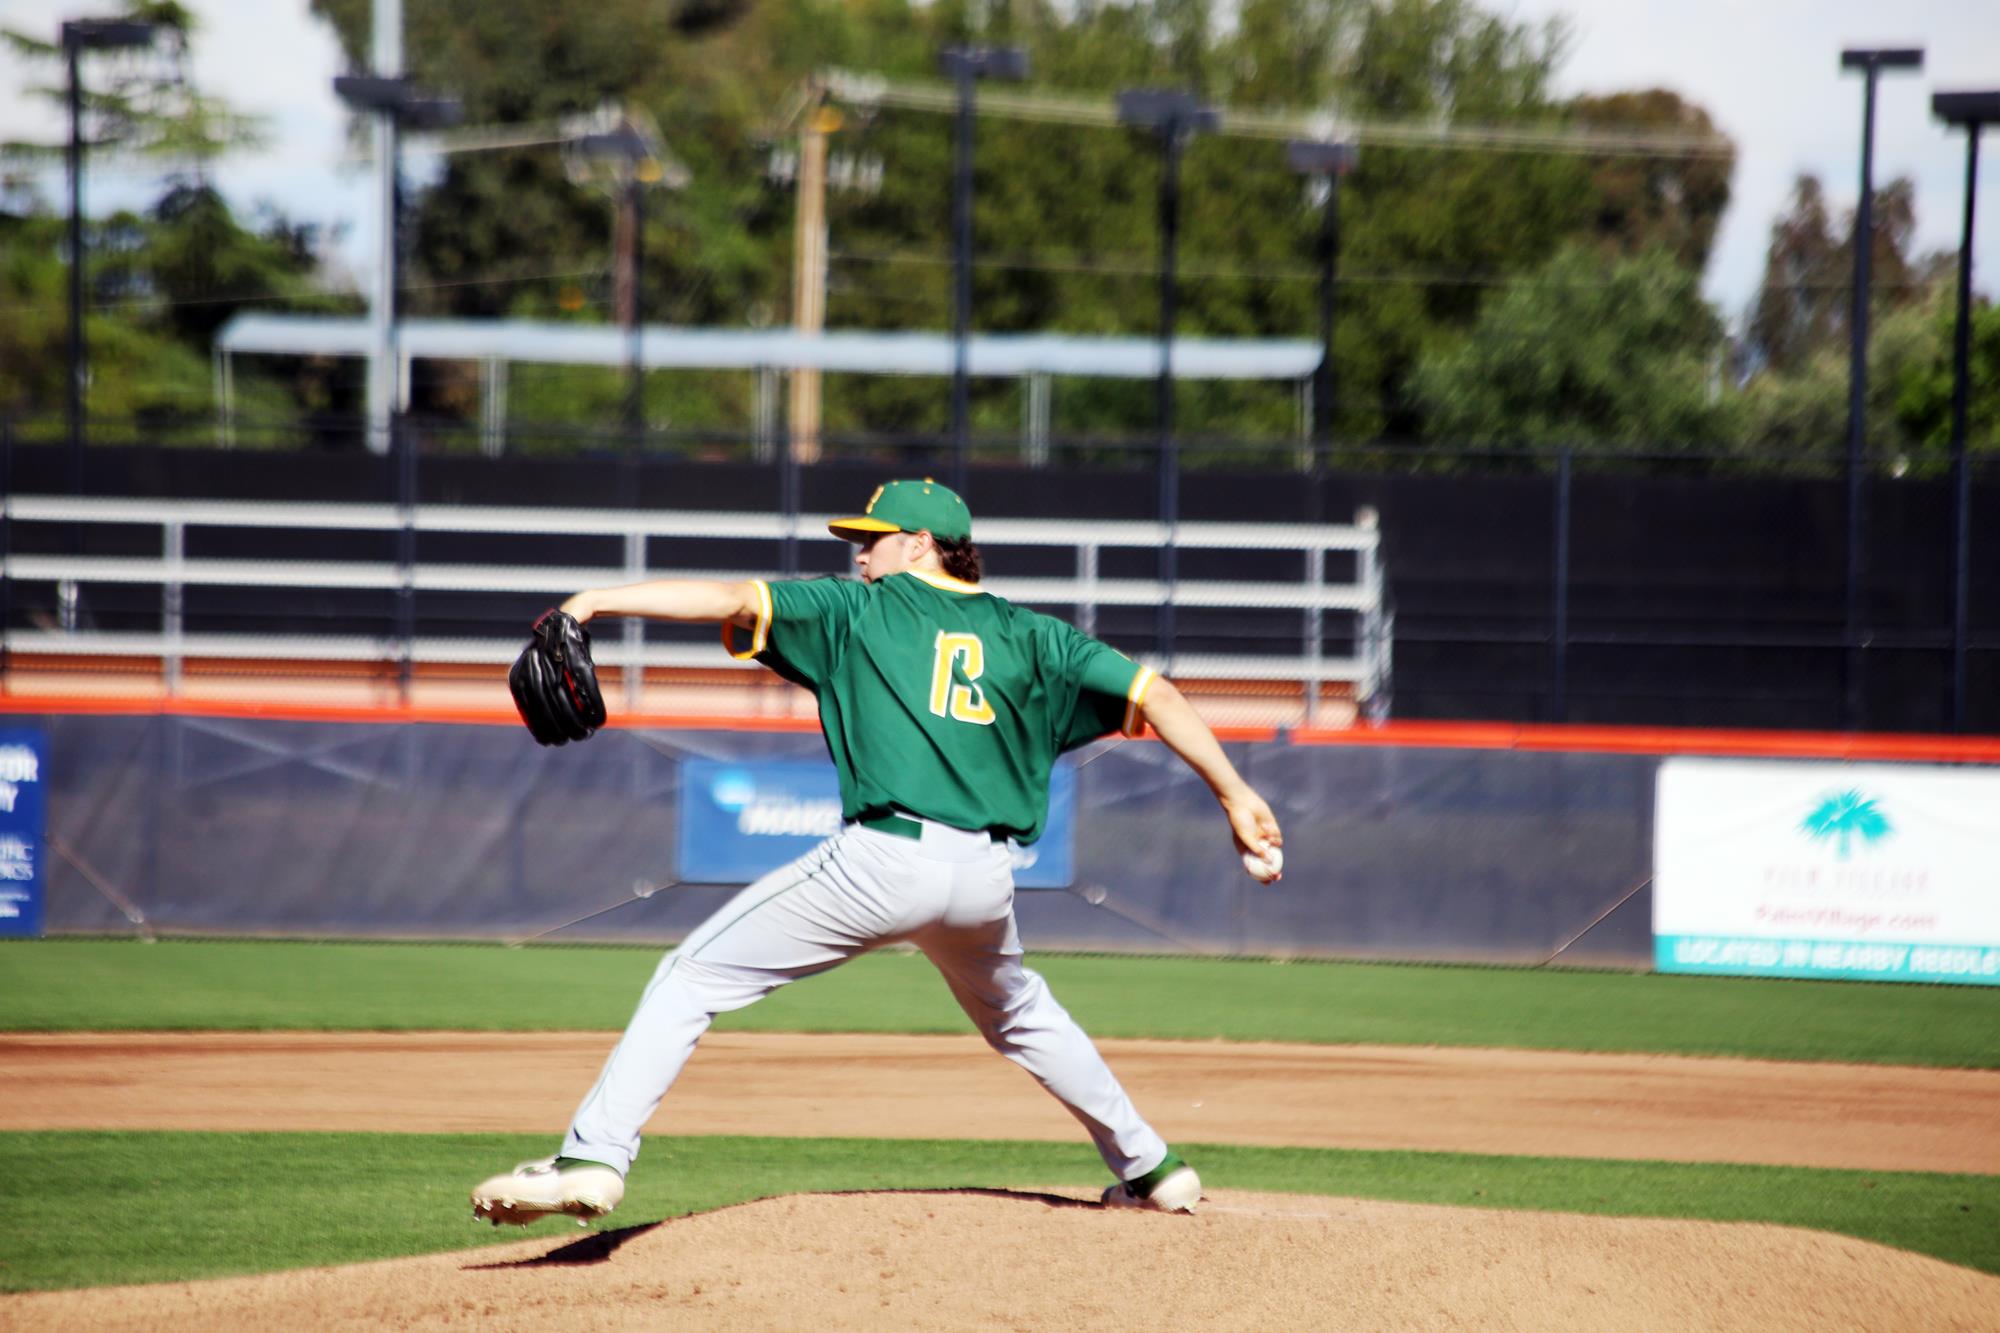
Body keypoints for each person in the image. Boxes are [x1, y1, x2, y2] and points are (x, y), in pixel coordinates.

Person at [472, 478, 1283, 1225]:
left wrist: (591, 602)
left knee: (692, 974)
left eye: (875, 537)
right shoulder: (1038, 637)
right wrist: (1236, 796)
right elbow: (1158, 695)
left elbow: (723, 596)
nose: (860, 552)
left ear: (922, 544)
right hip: (986, 877)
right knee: (1022, 1013)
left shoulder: (857, 610)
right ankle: (1151, 1167)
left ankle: (593, 1157)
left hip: (886, 857)